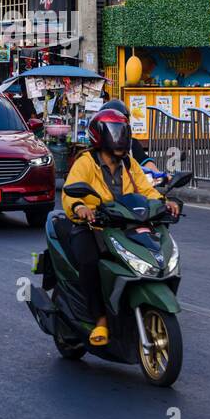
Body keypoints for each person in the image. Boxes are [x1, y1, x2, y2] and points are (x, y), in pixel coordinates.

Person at [61, 106, 177, 347]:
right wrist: (80, 207)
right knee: (89, 261)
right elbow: (70, 191)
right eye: (114, 133)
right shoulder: (86, 162)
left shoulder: (129, 164)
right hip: (92, 226)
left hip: (124, 225)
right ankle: (100, 319)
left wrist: (165, 203)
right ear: (100, 137)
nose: (119, 139)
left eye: (122, 132)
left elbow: (146, 190)